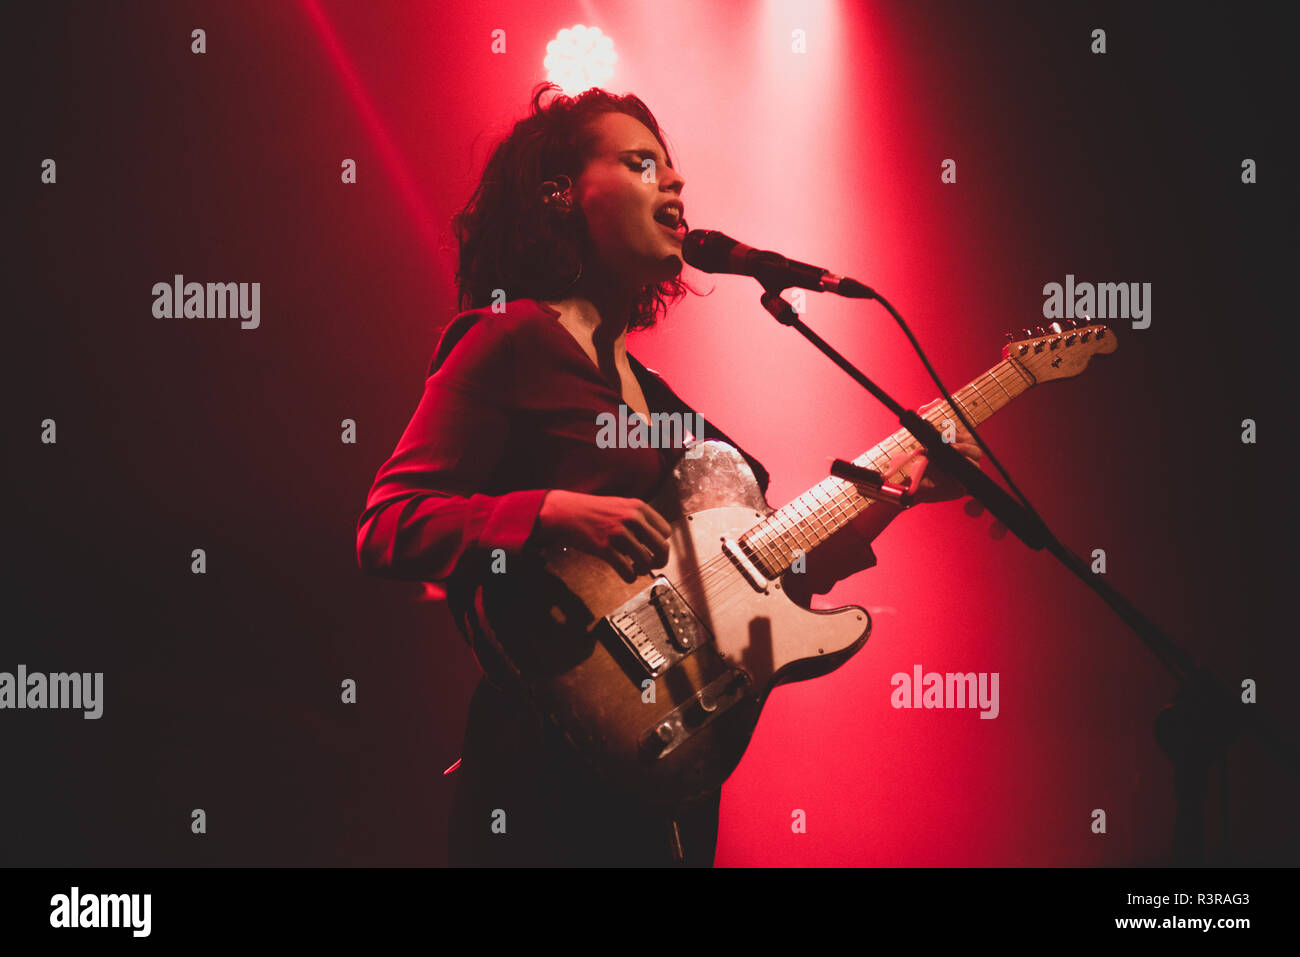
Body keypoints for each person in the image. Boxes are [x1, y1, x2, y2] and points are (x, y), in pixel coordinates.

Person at [356, 83, 982, 866]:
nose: (675, 180)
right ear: (561, 194)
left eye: (672, 165)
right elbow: (387, 523)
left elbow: (768, 578)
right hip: (543, 769)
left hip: (667, 782)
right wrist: (547, 511)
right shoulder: (508, 338)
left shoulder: (661, 402)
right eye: (640, 163)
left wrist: (896, 494)